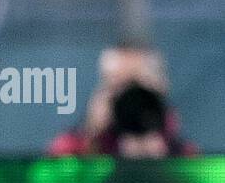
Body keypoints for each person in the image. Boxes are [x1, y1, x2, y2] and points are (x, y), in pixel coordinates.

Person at [48, 42, 195, 156]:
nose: (130, 98)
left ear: (160, 87)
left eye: (136, 85)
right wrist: (91, 137)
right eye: (118, 84)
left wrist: (163, 159)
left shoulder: (183, 153)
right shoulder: (73, 146)